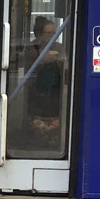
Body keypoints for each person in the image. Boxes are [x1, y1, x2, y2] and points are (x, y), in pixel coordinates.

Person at [24, 17, 63, 146]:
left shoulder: (59, 47)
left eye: (54, 33)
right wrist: (42, 61)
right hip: (37, 92)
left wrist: (60, 61)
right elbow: (26, 69)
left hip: (55, 92)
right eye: (49, 33)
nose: (52, 36)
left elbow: (66, 70)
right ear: (39, 34)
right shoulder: (32, 48)